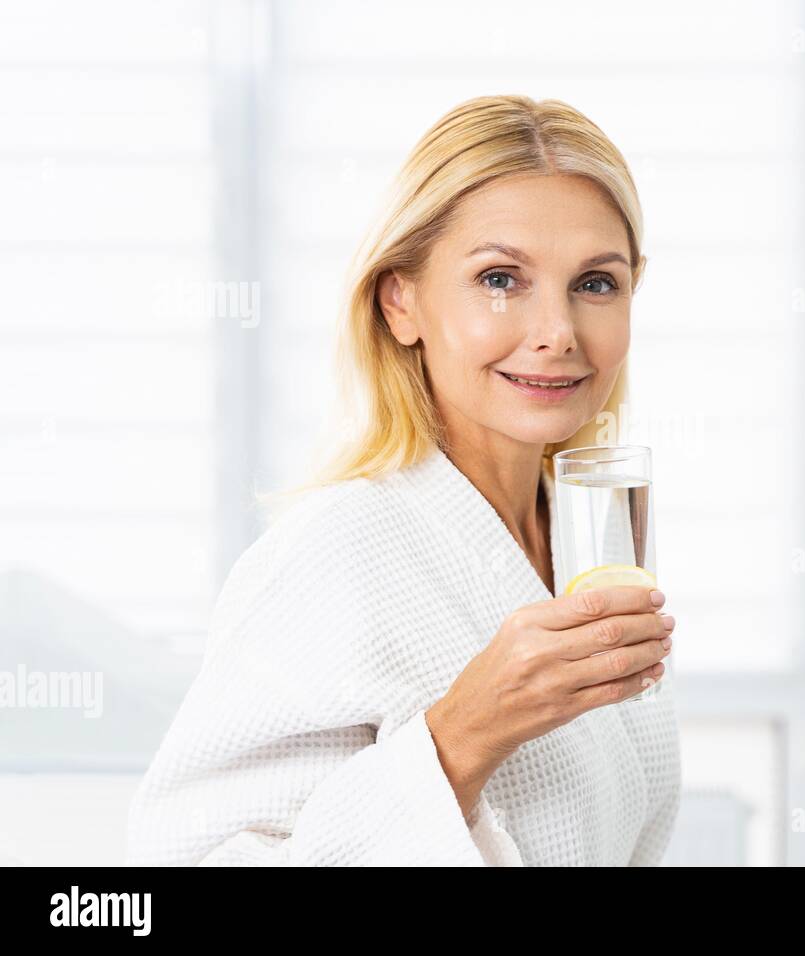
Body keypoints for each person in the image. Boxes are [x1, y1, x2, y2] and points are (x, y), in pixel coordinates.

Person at [125, 95, 681, 866]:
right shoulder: (331, 556)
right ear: (402, 302)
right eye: (500, 278)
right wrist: (460, 737)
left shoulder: (589, 539)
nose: (557, 331)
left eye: (595, 283)